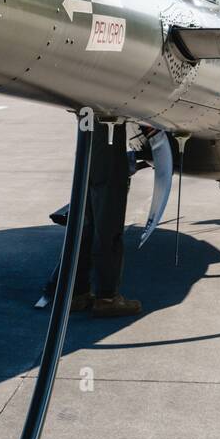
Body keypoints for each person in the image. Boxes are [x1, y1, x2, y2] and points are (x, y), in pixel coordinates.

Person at [71, 121, 141, 317]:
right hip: (108, 137)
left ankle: (76, 291)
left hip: (89, 150)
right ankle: (107, 297)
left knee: (86, 224)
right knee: (108, 226)